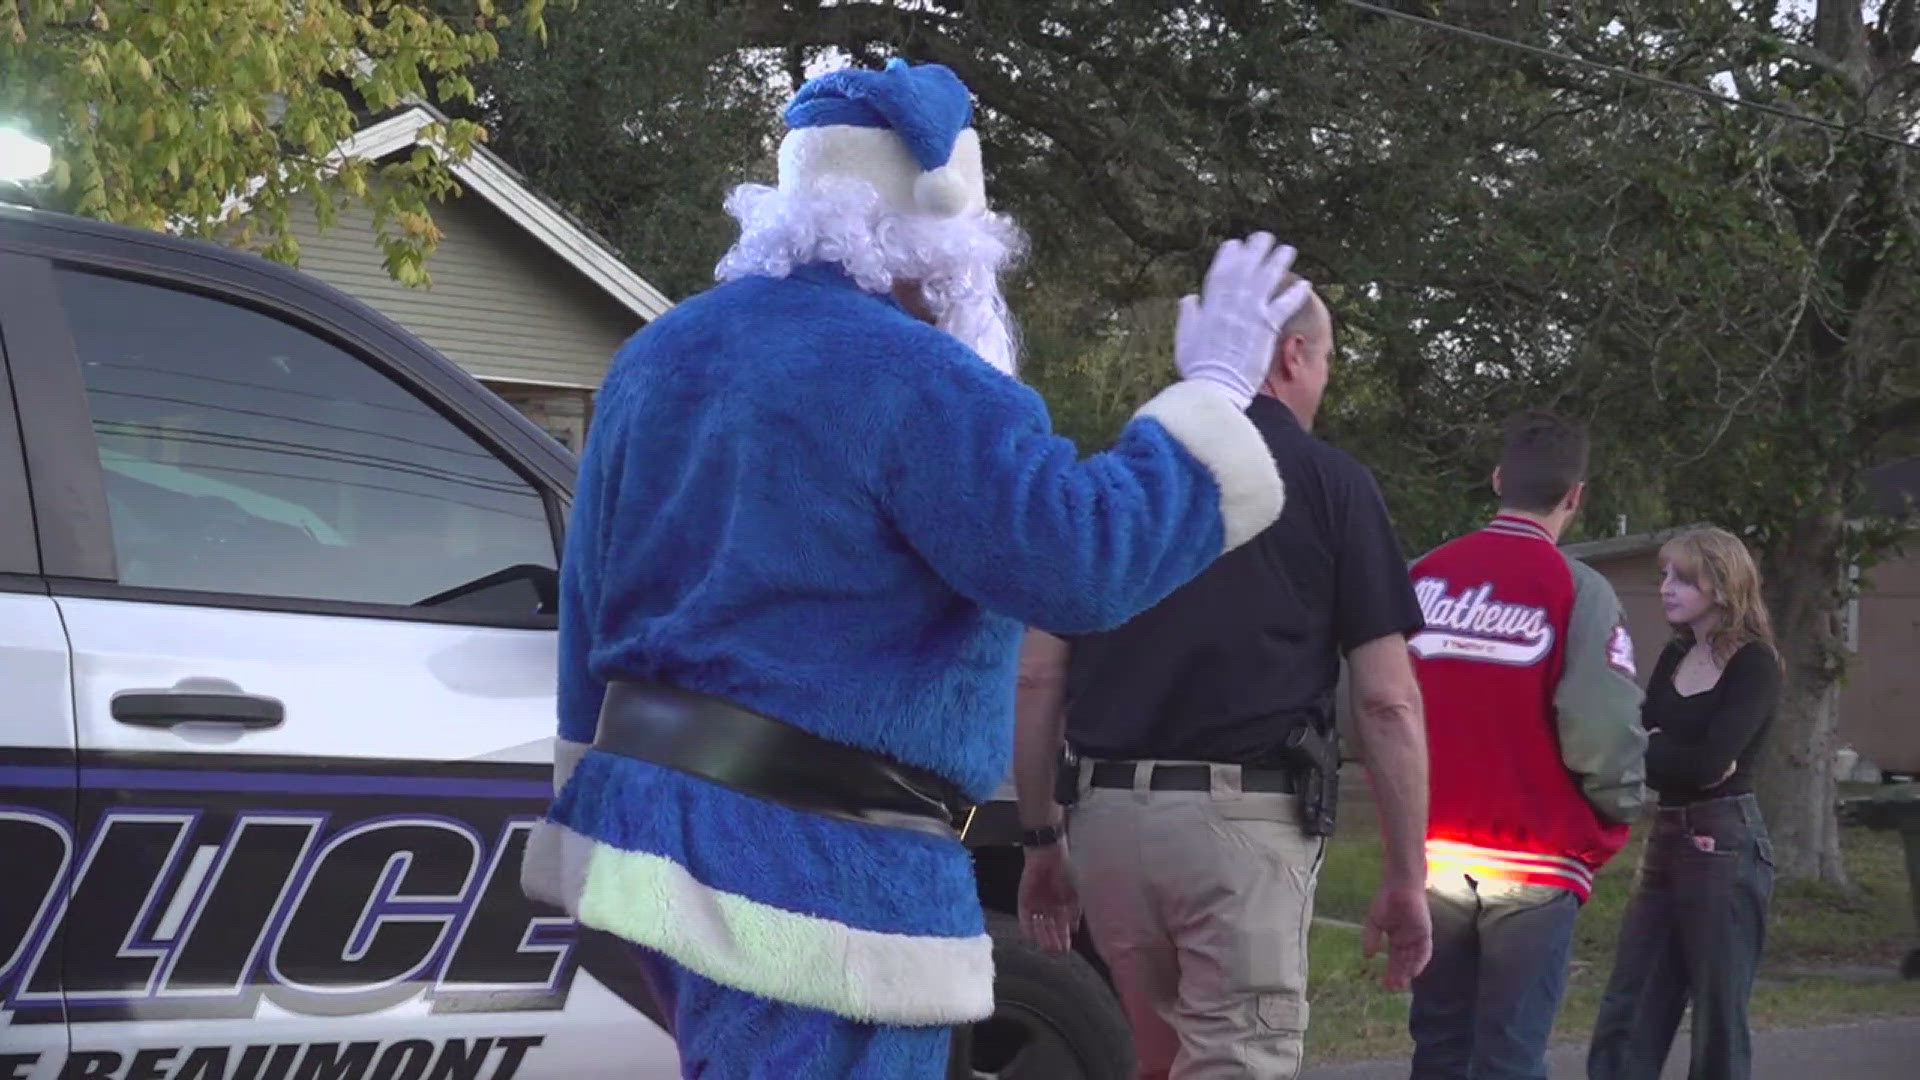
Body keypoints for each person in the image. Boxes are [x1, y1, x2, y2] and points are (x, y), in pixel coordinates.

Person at [518, 57, 1313, 1079]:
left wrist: (580, 791)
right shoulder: (916, 376)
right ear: (942, 233)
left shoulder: (655, 358)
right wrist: (1213, 388)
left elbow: (587, 608)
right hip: (812, 871)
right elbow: (1080, 559)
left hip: (644, 837)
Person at [1012, 280, 1433, 1080]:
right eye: (1329, 359)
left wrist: (1042, 841)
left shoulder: (1116, 477)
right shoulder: (1332, 485)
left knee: (1157, 1062)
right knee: (1237, 1060)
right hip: (1243, 829)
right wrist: (1407, 875)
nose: (1325, 380)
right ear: (1291, 355)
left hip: (1108, 825)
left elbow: (1037, 677)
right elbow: (1386, 699)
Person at [1403, 410, 1649, 1080]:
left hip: (1429, 853)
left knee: (1439, 1046)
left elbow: (1374, 705)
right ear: (1576, 495)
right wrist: (1619, 805)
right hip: (1537, 861)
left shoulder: (1420, 576)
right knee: (1510, 1056)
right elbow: (1601, 725)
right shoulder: (1579, 590)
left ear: (1498, 478)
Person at [1587, 526, 1783, 1080]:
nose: (1666, 588)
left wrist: (1659, 750)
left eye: (1681, 578)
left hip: (1726, 843)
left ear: (1721, 586)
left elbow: (1708, 765)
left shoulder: (1755, 664)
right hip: (1667, 837)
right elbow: (1636, 740)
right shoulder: (1677, 654)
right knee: (1632, 998)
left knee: (1717, 1012)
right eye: (1663, 576)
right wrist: (1662, 751)